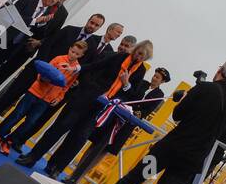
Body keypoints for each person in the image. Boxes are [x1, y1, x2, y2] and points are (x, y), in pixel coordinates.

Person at [68, 58, 226, 184]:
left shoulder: (205, 88)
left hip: (167, 152)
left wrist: (185, 99)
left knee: (129, 182)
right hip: (189, 163)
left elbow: (177, 115)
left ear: (220, 70)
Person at [16, 38, 151, 173]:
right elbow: (95, 66)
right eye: (138, 53)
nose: (138, 57)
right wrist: (77, 69)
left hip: (100, 109)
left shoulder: (141, 71)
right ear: (135, 49)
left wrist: (126, 84)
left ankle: (55, 167)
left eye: (142, 56)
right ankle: (33, 157)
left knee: (79, 138)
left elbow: (134, 96)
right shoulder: (119, 57)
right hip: (84, 98)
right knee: (58, 128)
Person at [0, 13, 107, 135]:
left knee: (27, 112)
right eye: (92, 22)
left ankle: (5, 137)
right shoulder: (69, 30)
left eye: (97, 25)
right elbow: (47, 44)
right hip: (36, 70)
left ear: (99, 28)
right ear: (88, 20)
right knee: (8, 97)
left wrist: (66, 80)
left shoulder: (92, 47)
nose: (93, 26)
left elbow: (83, 67)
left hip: (52, 85)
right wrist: (44, 66)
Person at [59, 66, 171, 184]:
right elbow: (130, 94)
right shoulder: (142, 84)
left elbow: (147, 111)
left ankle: (79, 178)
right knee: (94, 145)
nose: (154, 78)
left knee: (104, 151)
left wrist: (136, 112)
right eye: (155, 75)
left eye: (158, 78)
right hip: (115, 117)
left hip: (127, 125)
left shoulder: (159, 95)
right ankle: (73, 174)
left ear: (162, 81)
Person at [0, 40, 88, 156]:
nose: (73, 55)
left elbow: (66, 87)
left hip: (46, 100)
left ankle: (9, 141)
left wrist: (59, 98)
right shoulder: (58, 59)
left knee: (30, 122)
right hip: (34, 92)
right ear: (69, 48)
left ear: (81, 55)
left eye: (77, 54)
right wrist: (43, 78)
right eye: (72, 51)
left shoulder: (76, 70)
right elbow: (42, 72)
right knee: (16, 115)